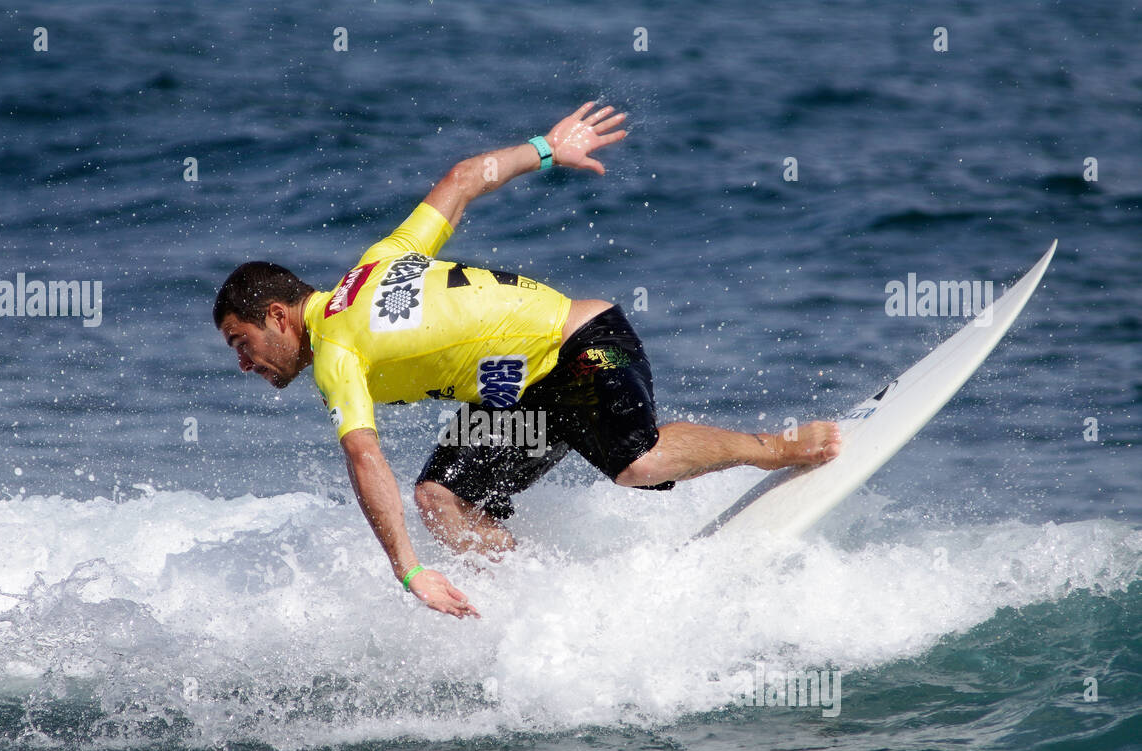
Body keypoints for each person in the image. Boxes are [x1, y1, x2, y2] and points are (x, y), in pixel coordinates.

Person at [213, 102, 841, 619]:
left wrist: (410, 574)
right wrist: (545, 148)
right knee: (441, 499)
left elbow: (363, 455)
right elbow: (461, 180)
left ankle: (777, 446)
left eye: (242, 343)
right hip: (515, 392)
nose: (246, 364)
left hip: (580, 345)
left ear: (277, 315)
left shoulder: (335, 349)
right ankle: (553, 596)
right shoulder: (377, 263)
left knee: (637, 463)